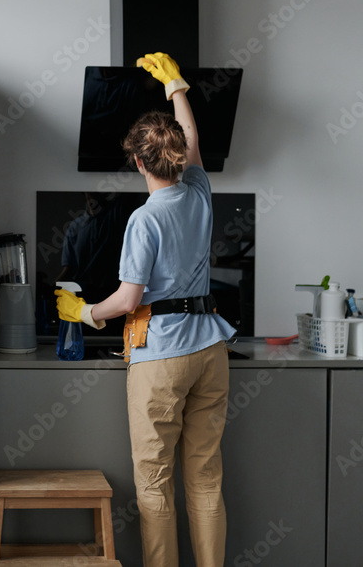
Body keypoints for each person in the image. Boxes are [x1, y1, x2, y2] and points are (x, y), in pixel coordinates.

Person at [56, 53, 235, 567]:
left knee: (155, 482)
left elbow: (128, 300)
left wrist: (83, 312)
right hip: (211, 350)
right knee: (206, 478)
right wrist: (177, 87)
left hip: (162, 357)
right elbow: (192, 142)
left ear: (138, 163)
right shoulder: (199, 193)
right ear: (177, 158)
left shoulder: (144, 219)